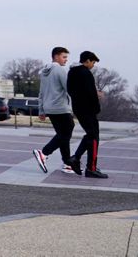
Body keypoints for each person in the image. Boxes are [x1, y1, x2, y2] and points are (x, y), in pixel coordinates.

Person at [34, 46, 76, 175]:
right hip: (60, 107)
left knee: (63, 136)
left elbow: (41, 93)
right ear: (56, 56)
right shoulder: (59, 70)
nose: (66, 60)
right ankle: (44, 153)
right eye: (64, 57)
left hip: (49, 108)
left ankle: (67, 164)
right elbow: (69, 89)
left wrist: (41, 110)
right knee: (67, 131)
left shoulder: (44, 72)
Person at [67, 51, 107, 179]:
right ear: (88, 60)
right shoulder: (85, 73)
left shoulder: (72, 72)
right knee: (94, 138)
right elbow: (90, 94)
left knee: (90, 135)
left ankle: (77, 159)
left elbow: (70, 90)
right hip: (88, 110)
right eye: (93, 62)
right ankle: (90, 168)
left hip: (78, 109)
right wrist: (97, 107)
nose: (93, 65)